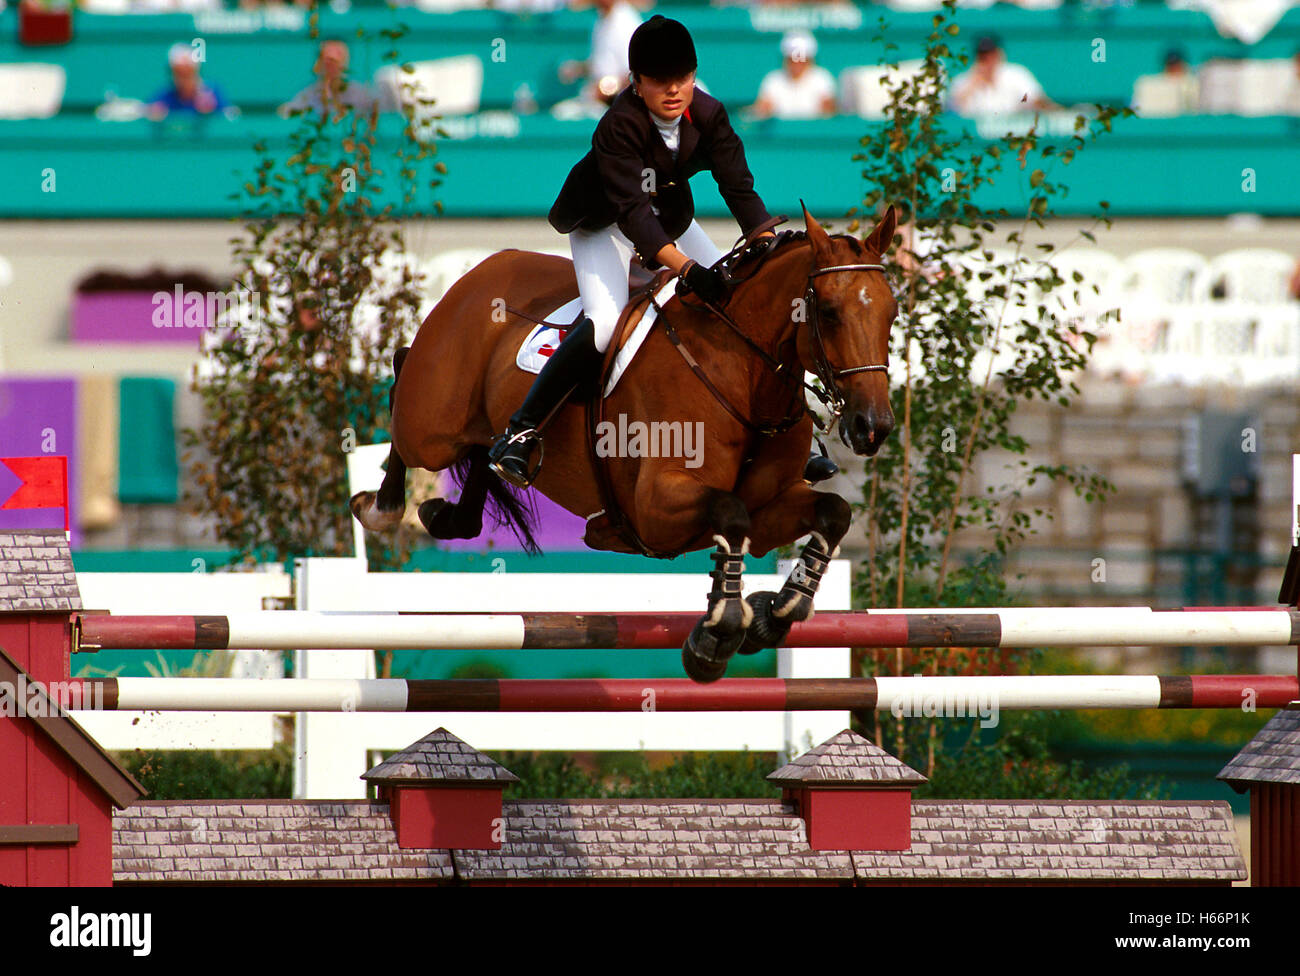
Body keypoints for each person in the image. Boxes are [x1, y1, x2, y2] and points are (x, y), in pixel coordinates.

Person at [489, 16, 820, 488]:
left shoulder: (709, 115)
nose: (673, 90)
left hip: (670, 218)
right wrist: (688, 270)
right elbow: (633, 216)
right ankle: (520, 432)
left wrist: (767, 245)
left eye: (682, 79)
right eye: (660, 81)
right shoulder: (617, 126)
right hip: (605, 226)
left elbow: (740, 190)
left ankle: (784, 437)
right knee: (605, 325)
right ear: (636, 82)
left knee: (742, 306)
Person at [557, 0, 643, 111]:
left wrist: (605, 88)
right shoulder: (602, 18)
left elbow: (635, 75)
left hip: (619, 105)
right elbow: (604, 64)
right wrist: (580, 68)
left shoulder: (626, 22)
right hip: (596, 100)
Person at [948, 35, 1054, 118]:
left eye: (991, 55)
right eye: (983, 56)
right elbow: (952, 109)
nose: (988, 60)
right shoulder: (964, 80)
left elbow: (1036, 100)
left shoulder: (1016, 75)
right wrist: (973, 83)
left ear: (999, 54)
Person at [279, 39, 380, 117]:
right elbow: (287, 112)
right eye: (327, 62)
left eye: (336, 62)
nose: (332, 68)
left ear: (345, 64)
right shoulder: (308, 95)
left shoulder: (361, 95)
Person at [750, 30, 837, 120]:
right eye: (792, 58)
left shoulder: (823, 78)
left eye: (802, 58)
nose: (797, 63)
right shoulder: (773, 80)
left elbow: (829, 110)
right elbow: (762, 108)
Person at [146, 43, 232, 119]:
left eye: (188, 72)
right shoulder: (166, 94)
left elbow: (230, 117)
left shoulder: (213, 91)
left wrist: (211, 113)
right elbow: (148, 110)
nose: (184, 77)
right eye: (179, 72)